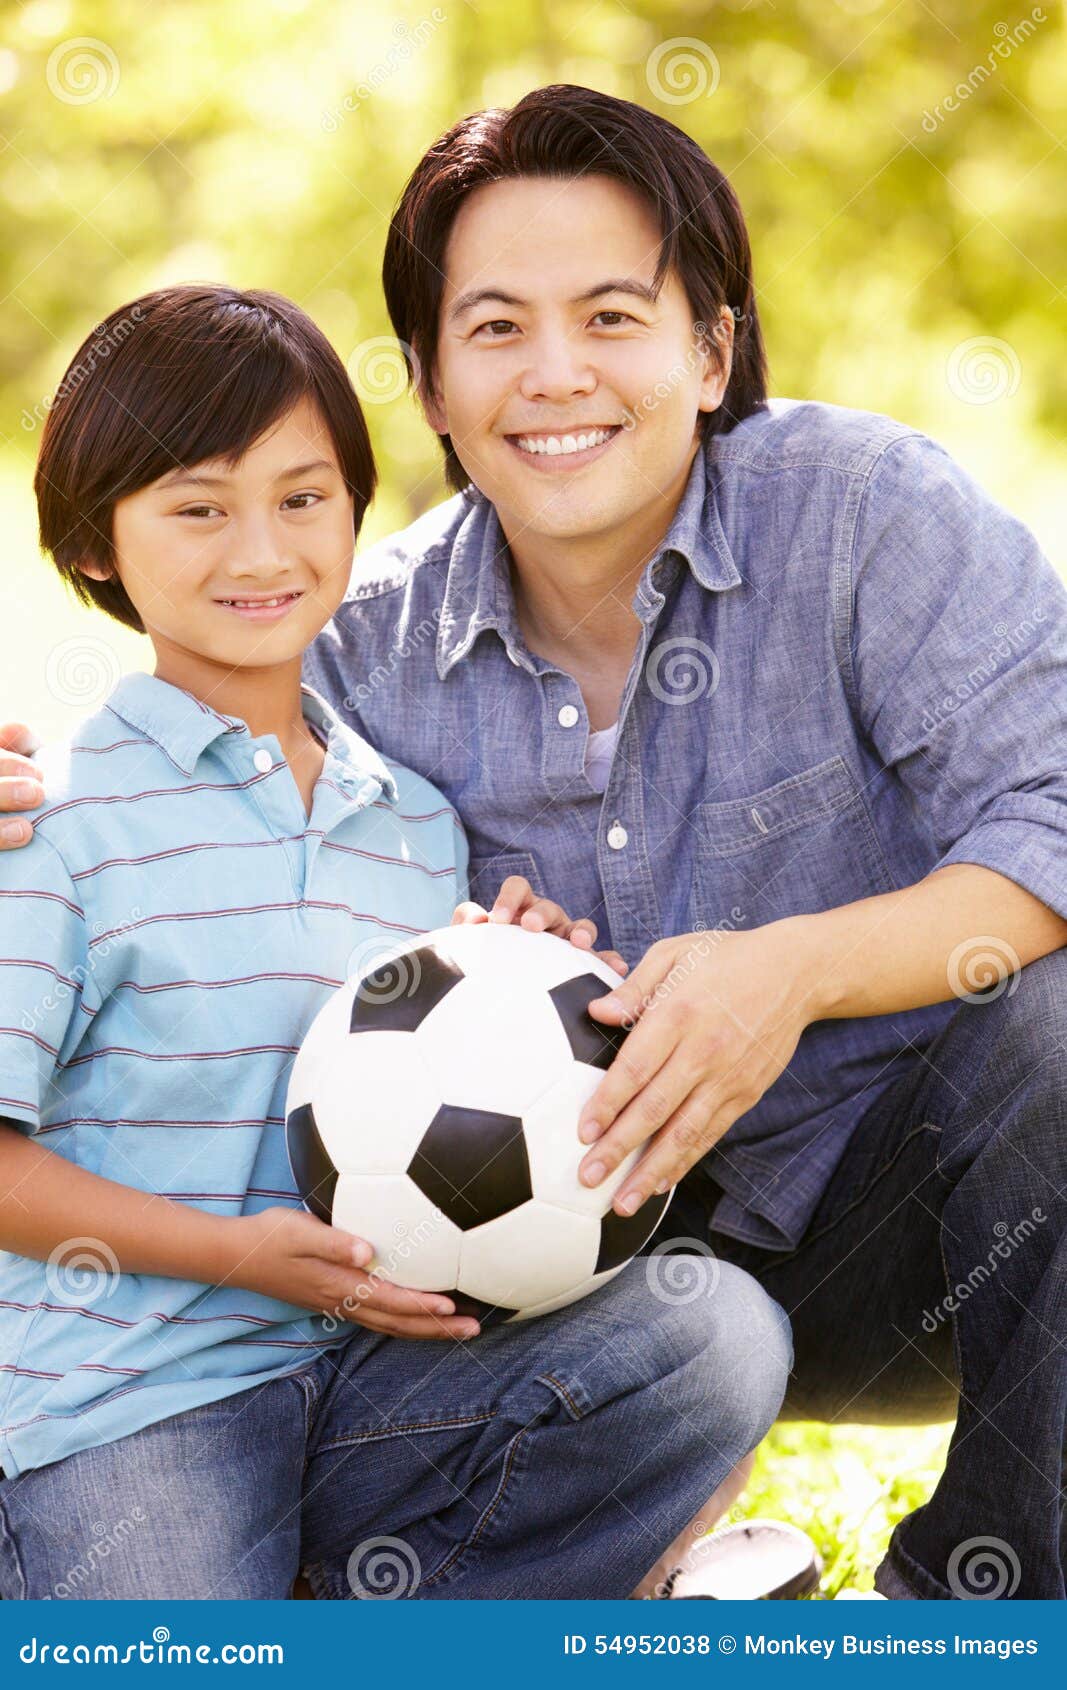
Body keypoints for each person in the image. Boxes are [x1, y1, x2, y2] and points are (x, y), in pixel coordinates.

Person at [4, 82, 1065, 1599]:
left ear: (709, 349)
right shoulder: (358, 654)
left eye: (612, 316)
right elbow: (160, 794)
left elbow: (1058, 804)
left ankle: (988, 1603)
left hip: (910, 1244)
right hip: (552, 1282)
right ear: (429, 385)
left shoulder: (862, 519)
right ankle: (569, 1575)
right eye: (495, 327)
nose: (554, 374)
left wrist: (792, 974)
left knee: (1058, 1020)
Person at [0, 284, 791, 1600]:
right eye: (198, 507)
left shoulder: (412, 822)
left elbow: (405, 1060)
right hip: (132, 1404)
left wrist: (523, 979)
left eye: (304, 497)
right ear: (96, 544)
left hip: (371, 1381)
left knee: (711, 1334)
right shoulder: (54, 820)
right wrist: (231, 1253)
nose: (260, 549)